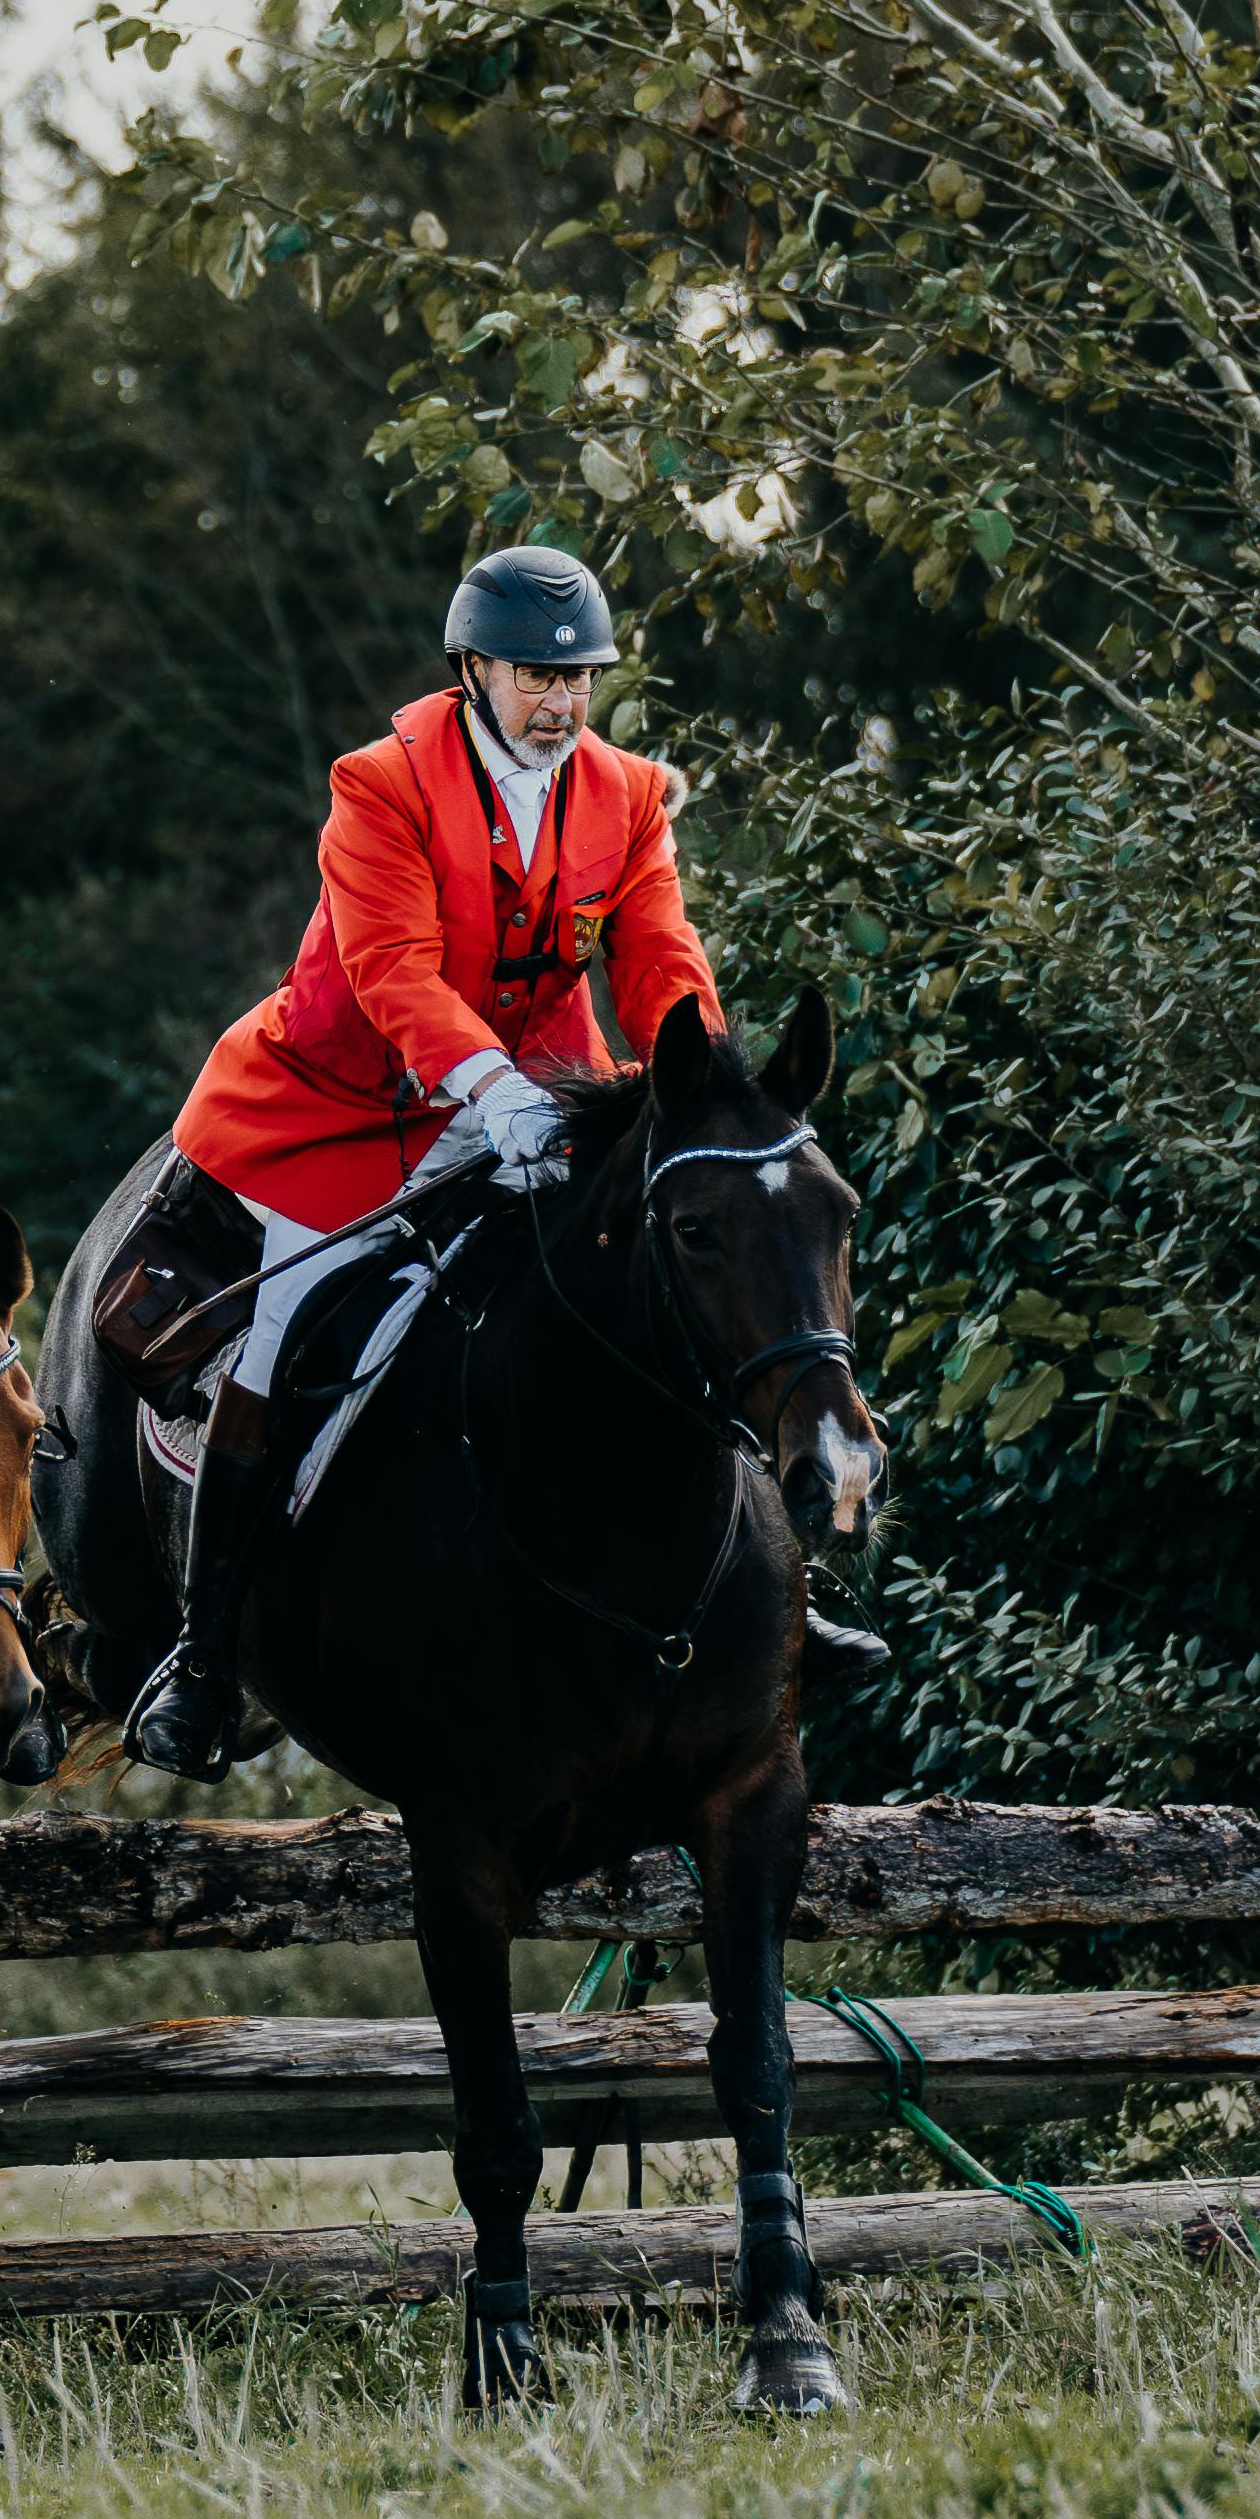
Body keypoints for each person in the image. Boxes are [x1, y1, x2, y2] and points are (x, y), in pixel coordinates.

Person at [120, 548, 889, 1777]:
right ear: (473, 670)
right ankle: (205, 1661)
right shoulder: (379, 785)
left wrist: (707, 1085)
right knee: (283, 1333)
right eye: (537, 676)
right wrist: (486, 1089)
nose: (561, 703)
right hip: (343, 1102)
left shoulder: (627, 794)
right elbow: (392, 972)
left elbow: (655, 961)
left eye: (579, 679)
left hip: (543, 1086)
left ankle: (777, 1603)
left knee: (673, 1300)